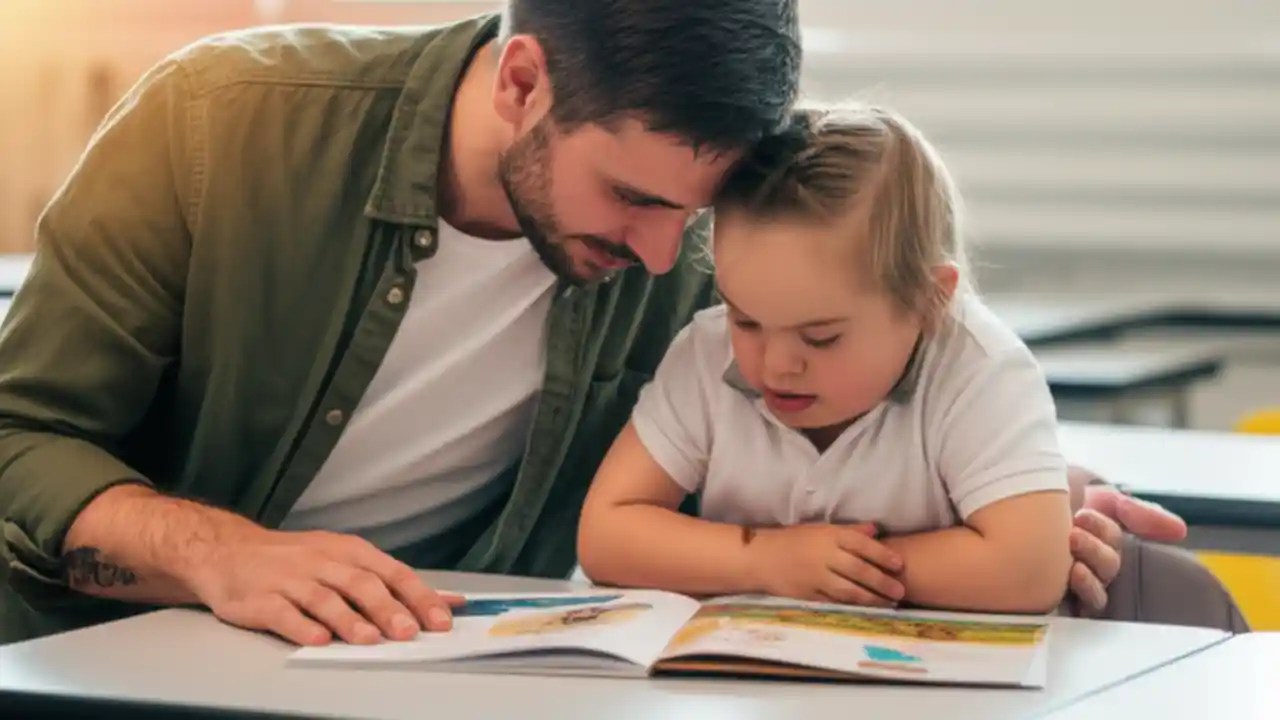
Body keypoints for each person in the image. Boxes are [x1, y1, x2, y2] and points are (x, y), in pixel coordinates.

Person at [0, 2, 1188, 647]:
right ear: (522, 84)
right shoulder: (221, 122)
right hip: (106, 649)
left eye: (700, 217)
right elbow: (19, 439)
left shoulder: (695, 239)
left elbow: (773, 423)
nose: (669, 259)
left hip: (435, 664)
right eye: (633, 200)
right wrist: (229, 558)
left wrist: (991, 485)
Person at [579, 105, 1074, 613]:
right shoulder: (707, 354)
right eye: (745, 320)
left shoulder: (980, 371)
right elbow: (606, 533)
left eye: (820, 338)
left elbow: (1029, 570)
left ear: (929, 303)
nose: (775, 366)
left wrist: (833, 569)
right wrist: (766, 562)